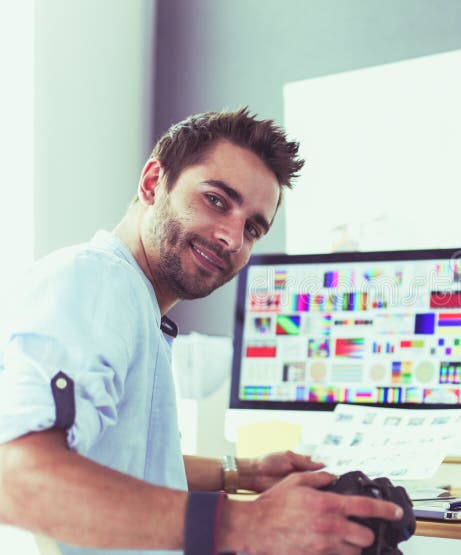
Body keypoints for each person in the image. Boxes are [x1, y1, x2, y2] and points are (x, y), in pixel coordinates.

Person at [0, 108, 403, 555]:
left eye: (252, 227)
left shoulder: (136, 304)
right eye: (216, 200)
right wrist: (247, 523)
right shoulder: (96, 283)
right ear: (153, 183)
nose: (233, 238)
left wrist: (243, 473)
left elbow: (125, 462)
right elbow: (14, 479)